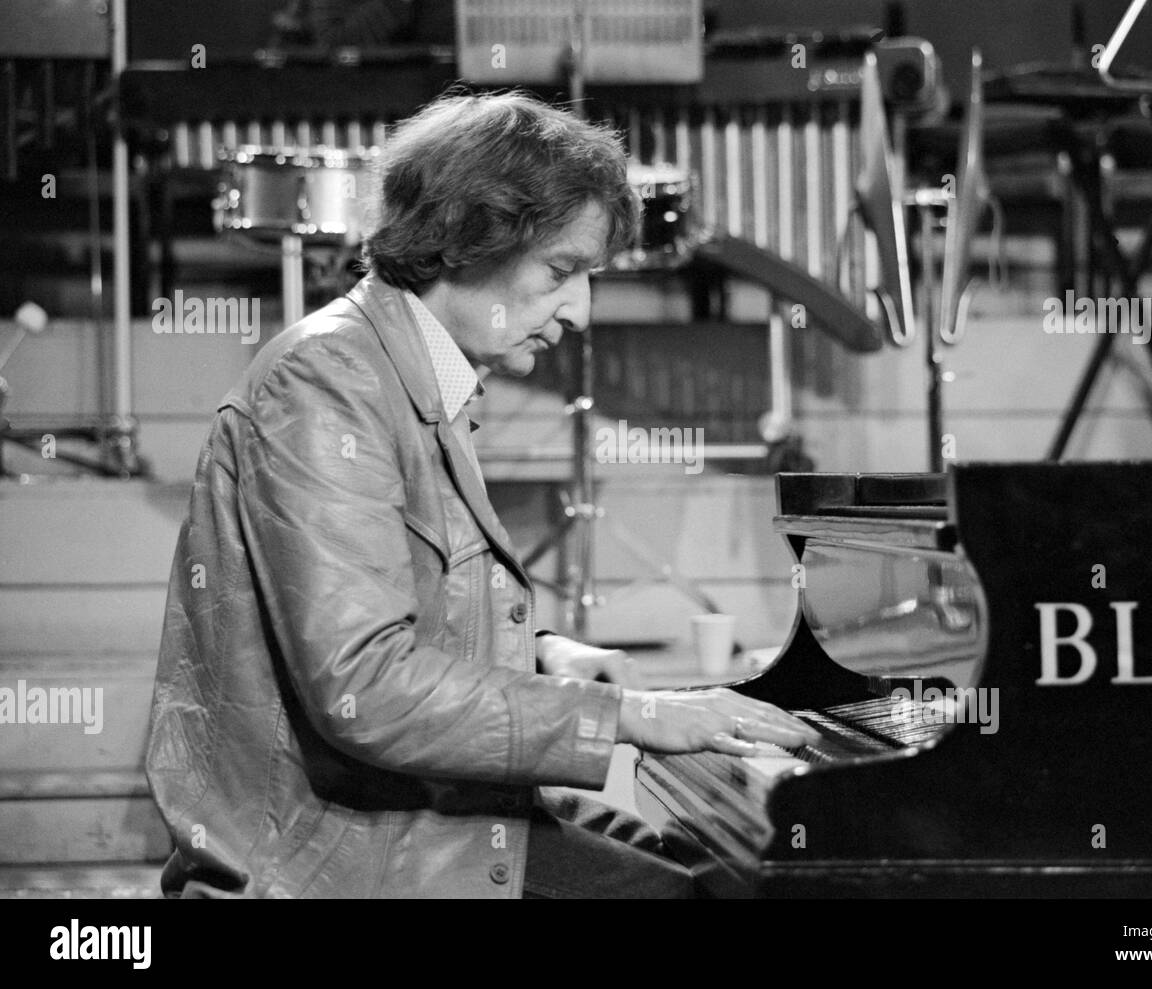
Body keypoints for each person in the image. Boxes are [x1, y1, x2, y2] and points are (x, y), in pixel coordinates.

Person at [145, 90, 818, 898]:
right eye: (563, 271)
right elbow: (364, 685)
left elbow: (402, 614)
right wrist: (630, 720)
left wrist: (547, 655)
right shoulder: (325, 382)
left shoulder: (408, 377)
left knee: (721, 872)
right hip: (344, 865)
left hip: (430, 826)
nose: (580, 310)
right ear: (465, 239)